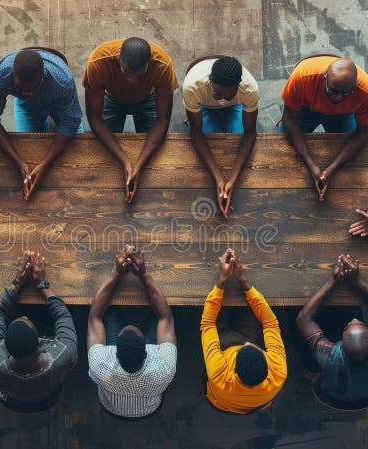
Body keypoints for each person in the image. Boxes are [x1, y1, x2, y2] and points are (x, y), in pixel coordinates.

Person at [296, 255, 368, 410]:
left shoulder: (330, 359)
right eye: (360, 324)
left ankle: (313, 377)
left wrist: (333, 281)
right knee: (349, 308)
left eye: (348, 326)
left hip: (335, 390)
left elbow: (303, 319)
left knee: (307, 359)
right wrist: (356, 281)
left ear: (339, 348)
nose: (354, 320)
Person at [83, 38, 178, 203]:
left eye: (140, 76)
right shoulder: (98, 62)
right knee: (103, 153)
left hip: (148, 99)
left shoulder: (163, 65)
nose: (133, 82)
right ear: (118, 59)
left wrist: (138, 166)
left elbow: (163, 120)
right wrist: (125, 162)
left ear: (149, 64)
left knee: (156, 156)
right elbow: (94, 117)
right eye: (126, 75)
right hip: (111, 98)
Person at [87, 245, 177, 418]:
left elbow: (94, 318)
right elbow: (166, 318)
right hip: (149, 409)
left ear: (114, 353)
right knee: (161, 314)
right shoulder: (164, 369)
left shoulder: (100, 365)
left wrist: (116, 275)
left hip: (110, 406)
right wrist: (143, 275)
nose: (130, 327)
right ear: (147, 351)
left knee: (108, 311)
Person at [0, 48, 83, 200]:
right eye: (22, 89)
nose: (28, 93)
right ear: (13, 75)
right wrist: (18, 161)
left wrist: (46, 164)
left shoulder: (62, 81)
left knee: (77, 155)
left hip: (59, 104)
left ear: (42, 76)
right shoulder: (2, 74)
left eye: (32, 89)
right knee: (29, 151)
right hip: (27, 106)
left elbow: (70, 122)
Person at [0, 251, 78, 412]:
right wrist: (42, 285)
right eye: (26, 319)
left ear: (4, 342)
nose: (25, 316)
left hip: (15, 394)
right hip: (48, 389)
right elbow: (62, 315)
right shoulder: (63, 353)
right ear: (40, 340)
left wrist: (18, 282)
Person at [201, 248, 287, 414]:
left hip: (223, 354)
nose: (247, 343)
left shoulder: (218, 376)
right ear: (267, 364)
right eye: (253, 347)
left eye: (244, 348)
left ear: (234, 371)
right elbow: (270, 324)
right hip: (237, 353)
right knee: (249, 304)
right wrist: (243, 281)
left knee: (219, 304)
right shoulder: (278, 371)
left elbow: (208, 324)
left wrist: (223, 280)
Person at [279, 55, 368, 201]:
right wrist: (311, 165)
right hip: (307, 107)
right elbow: (289, 118)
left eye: (346, 93)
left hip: (343, 113)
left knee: (349, 150)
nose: (338, 98)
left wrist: (330, 170)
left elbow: (363, 133)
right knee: (282, 138)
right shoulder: (302, 78)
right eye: (333, 91)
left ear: (354, 86)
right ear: (325, 77)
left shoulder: (367, 91)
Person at [183, 56, 259, 218]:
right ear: (210, 80)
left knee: (236, 141)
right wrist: (218, 180)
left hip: (234, 108)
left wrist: (233, 180)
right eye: (217, 93)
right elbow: (196, 132)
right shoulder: (192, 87)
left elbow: (250, 133)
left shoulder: (249, 89)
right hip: (204, 107)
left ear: (237, 87)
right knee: (210, 143)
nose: (222, 99)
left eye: (228, 95)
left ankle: (230, 104)